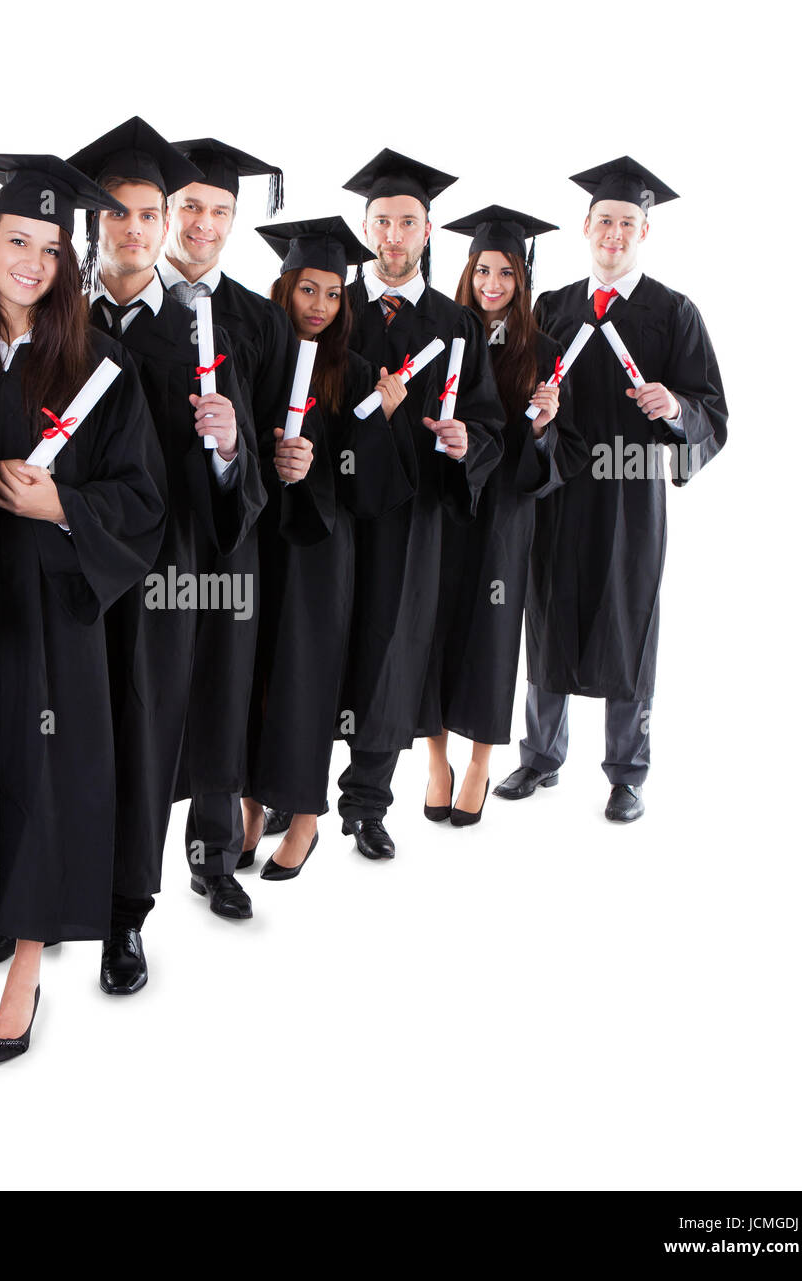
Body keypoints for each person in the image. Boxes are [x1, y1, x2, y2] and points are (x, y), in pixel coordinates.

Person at [0, 153, 166, 1054]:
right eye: (16, 239)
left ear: (70, 260)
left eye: (49, 245)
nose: (33, 259)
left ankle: (27, 967)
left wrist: (60, 503)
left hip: (50, 602)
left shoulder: (98, 364)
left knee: (43, 782)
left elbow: (144, 500)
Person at [66, 117, 266, 995]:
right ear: (95, 224)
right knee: (50, 730)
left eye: (151, 213)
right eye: (119, 214)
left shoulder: (198, 332)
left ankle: (122, 915)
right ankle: (33, 899)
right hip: (65, 568)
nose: (137, 229)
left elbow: (238, 470)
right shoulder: (57, 320)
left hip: (159, 576)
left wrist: (229, 448)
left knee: (142, 739)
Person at [494, 158, 728, 823]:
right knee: (547, 612)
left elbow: (711, 407)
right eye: (605, 221)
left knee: (630, 622)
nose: (614, 234)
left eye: (628, 223)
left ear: (645, 232)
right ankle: (540, 755)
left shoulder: (673, 312)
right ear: (585, 227)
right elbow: (522, 397)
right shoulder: (552, 308)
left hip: (631, 493)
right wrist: (535, 421)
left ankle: (628, 772)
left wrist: (675, 408)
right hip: (561, 486)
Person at [336, 149, 504, 858]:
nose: (395, 236)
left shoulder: (457, 324)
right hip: (333, 507)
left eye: (409, 222)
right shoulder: (329, 307)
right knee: (319, 645)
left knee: (390, 652)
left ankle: (368, 803)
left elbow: (490, 420)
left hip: (416, 517)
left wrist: (470, 440)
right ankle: (288, 795)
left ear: (429, 230)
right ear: (366, 226)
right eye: (383, 221)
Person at [247, 217, 414, 875]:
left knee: (306, 680)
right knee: (253, 676)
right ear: (283, 288)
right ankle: (253, 806)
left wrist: (385, 419)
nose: (318, 305)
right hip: (259, 540)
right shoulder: (258, 356)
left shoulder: (358, 371)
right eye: (306, 289)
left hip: (320, 551)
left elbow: (373, 485)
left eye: (332, 293)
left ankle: (307, 817)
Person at [418, 206, 586, 824]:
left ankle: (482, 762)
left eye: (506, 274)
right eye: (483, 270)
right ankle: (436, 761)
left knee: (491, 639)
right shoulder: (443, 336)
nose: (492, 284)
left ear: (522, 281)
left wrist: (543, 428)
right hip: (445, 503)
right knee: (433, 632)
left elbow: (564, 450)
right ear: (467, 273)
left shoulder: (543, 350)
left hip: (505, 514)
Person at [161, 138, 298, 851]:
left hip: (228, 534)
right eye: (190, 206)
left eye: (219, 209)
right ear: (165, 209)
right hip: (145, 538)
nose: (203, 223)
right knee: (137, 697)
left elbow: (274, 442)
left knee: (221, 686)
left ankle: (213, 853)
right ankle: (117, 884)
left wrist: (259, 453)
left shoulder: (261, 320)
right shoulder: (118, 308)